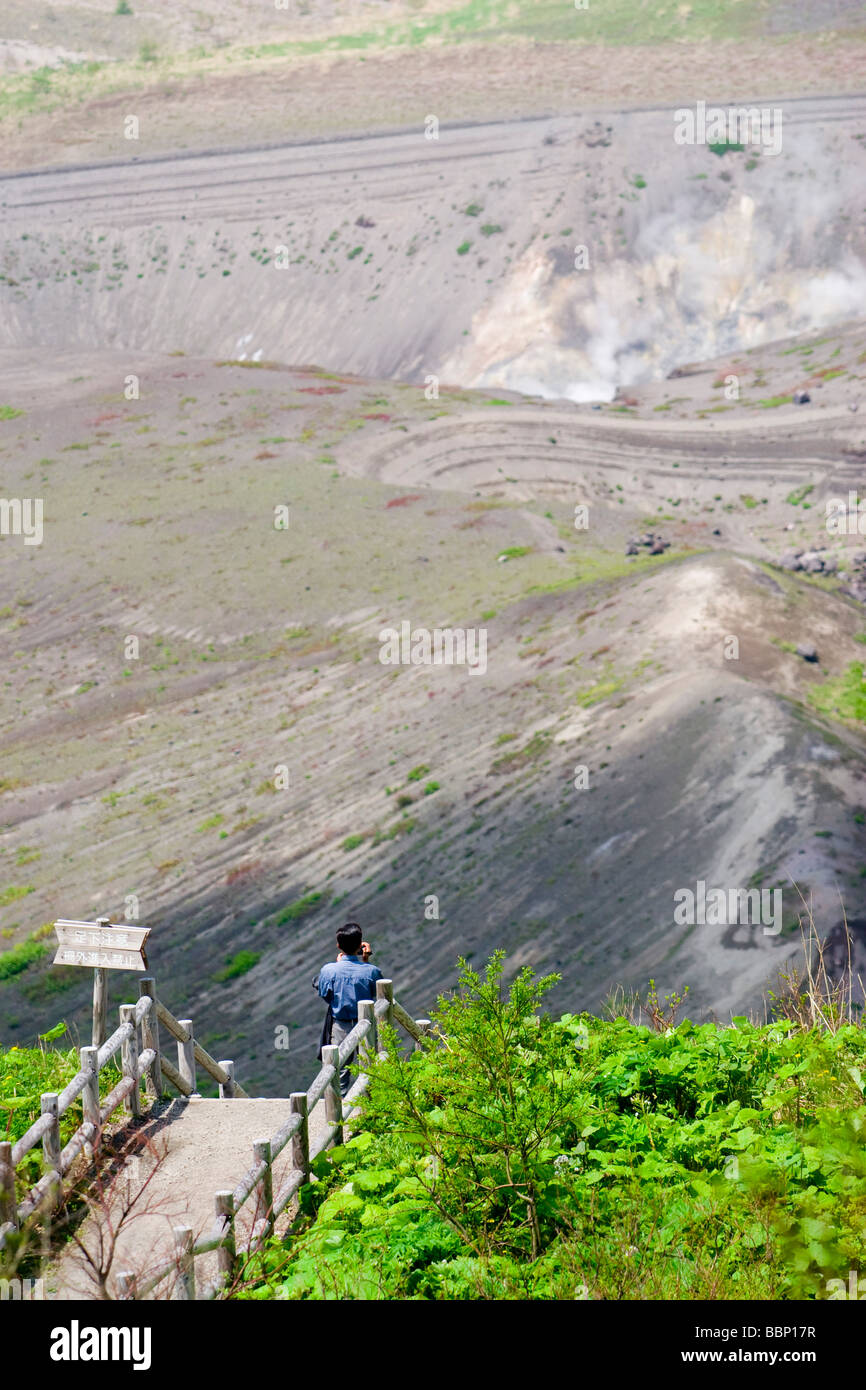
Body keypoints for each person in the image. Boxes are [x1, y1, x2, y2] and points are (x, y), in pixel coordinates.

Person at [313, 923, 382, 1097]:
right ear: (361, 945)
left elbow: (324, 994)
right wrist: (366, 962)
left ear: (338, 945)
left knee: (340, 1069)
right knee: (369, 1068)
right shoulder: (371, 971)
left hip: (340, 1025)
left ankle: (338, 1109)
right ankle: (370, 1107)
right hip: (365, 1023)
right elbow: (378, 993)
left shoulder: (329, 970)